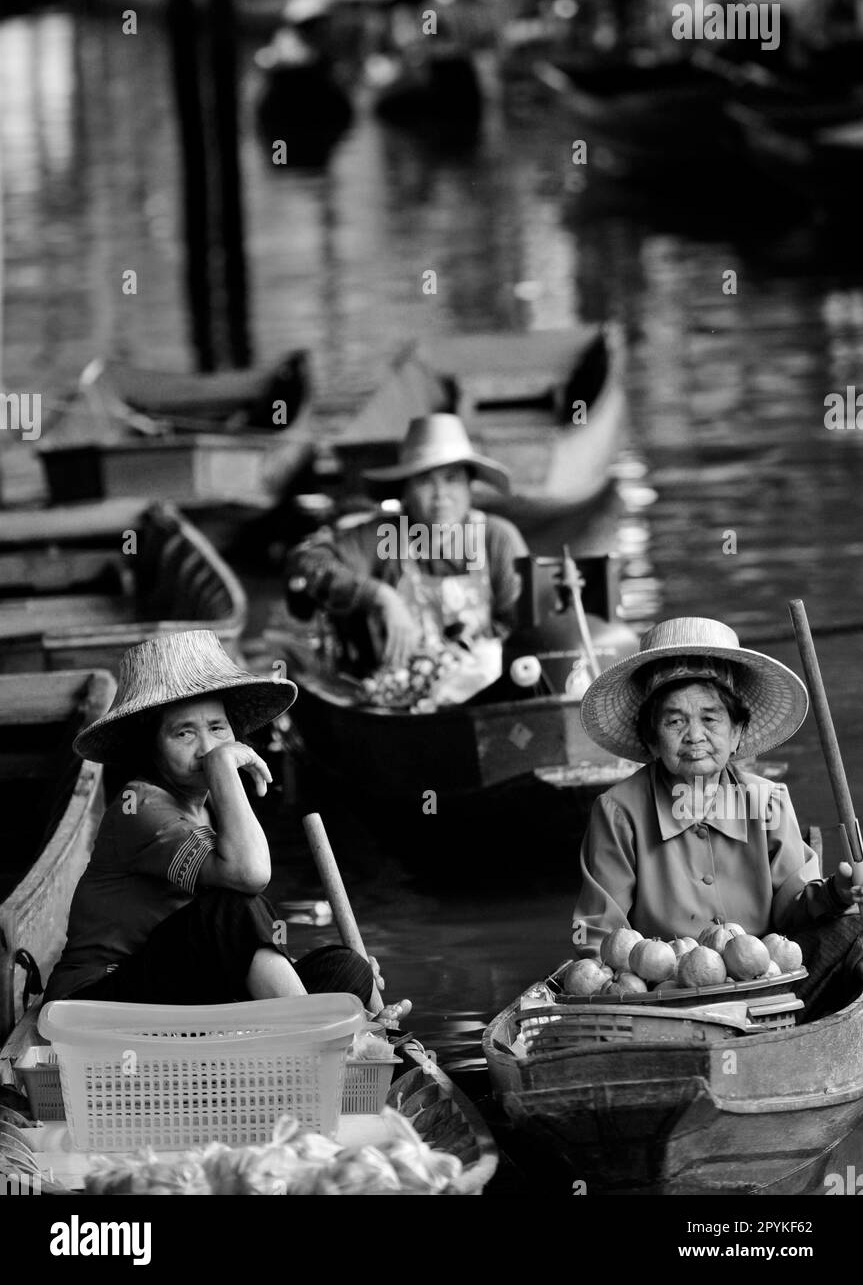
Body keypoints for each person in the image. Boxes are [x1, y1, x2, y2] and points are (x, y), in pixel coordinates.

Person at [45, 630, 397, 1014]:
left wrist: (348, 988)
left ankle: (345, 1028)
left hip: (172, 987)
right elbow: (249, 878)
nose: (207, 748)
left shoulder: (208, 807)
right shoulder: (140, 806)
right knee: (234, 909)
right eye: (184, 733)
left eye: (217, 728)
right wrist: (223, 765)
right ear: (150, 747)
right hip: (96, 1001)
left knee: (346, 970)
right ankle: (309, 1035)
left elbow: (232, 940)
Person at [572, 617, 863, 1018]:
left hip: (768, 985)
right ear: (652, 740)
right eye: (675, 722)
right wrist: (629, 979)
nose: (694, 736)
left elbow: (793, 910)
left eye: (710, 719)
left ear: (737, 734)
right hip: (666, 1001)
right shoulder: (618, 811)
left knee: (855, 932)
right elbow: (595, 933)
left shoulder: (768, 799)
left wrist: (837, 894)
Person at [285, 414, 528, 672]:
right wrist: (378, 595)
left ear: (470, 487)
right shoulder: (385, 535)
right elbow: (306, 562)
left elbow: (526, 625)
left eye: (452, 479)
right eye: (425, 481)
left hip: (485, 691)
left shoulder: (496, 538)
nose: (440, 496)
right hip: (400, 697)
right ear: (405, 491)